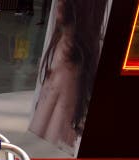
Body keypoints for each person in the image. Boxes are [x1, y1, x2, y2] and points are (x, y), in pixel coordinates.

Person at [29, 0, 106, 152]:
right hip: (49, 147)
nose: (59, 2)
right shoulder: (63, 48)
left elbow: (57, 119)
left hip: (52, 149)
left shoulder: (73, 58)